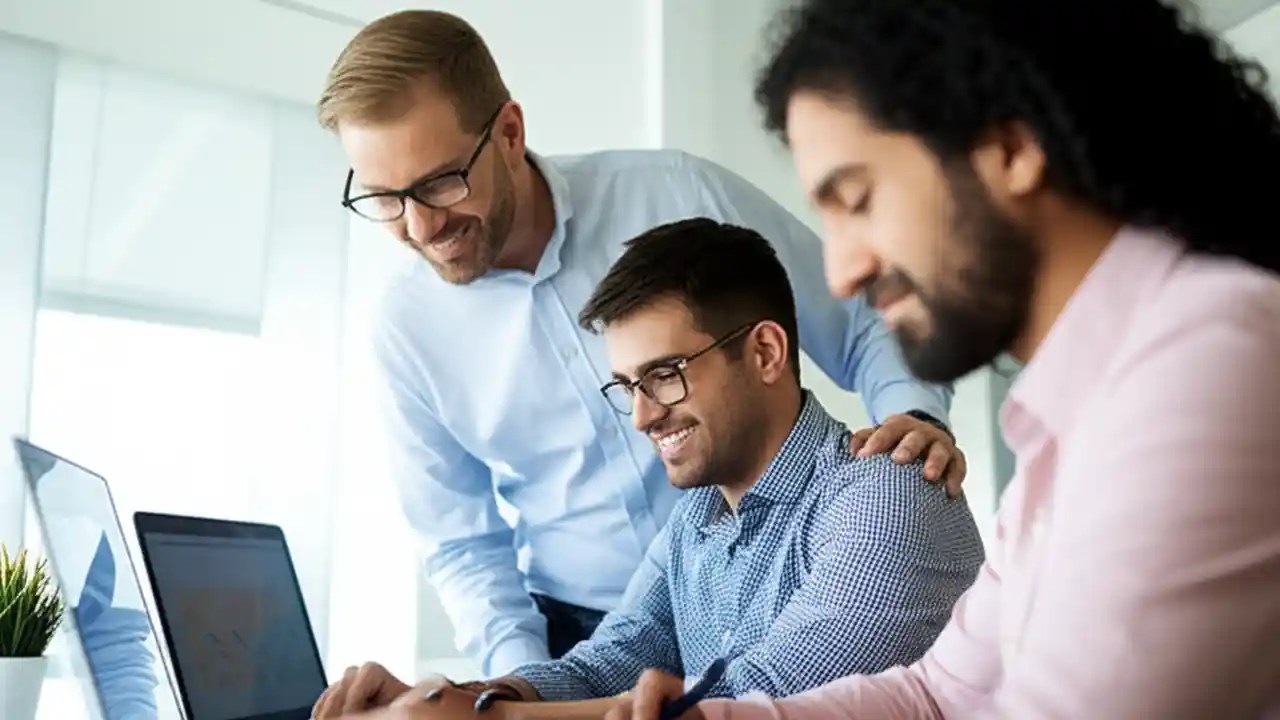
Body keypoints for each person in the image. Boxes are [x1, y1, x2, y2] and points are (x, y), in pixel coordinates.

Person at [604, 0, 1280, 718]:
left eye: (858, 200)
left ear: (1011, 150)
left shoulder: (1208, 359)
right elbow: (939, 693)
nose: (843, 274)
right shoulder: (1071, 421)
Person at [318, 8, 968, 678]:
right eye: (384, 198)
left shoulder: (674, 193)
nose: (419, 226)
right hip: (583, 637)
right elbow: (464, 547)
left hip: (774, 585)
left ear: (509, 132)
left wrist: (914, 424)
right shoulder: (406, 328)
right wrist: (512, 692)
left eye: (438, 183)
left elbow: (864, 320)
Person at [310, 219, 984, 719]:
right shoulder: (696, 519)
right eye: (627, 386)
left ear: (767, 353)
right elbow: (611, 658)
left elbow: (764, 699)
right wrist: (466, 696)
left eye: (664, 377)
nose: (642, 417)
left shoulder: (891, 490)